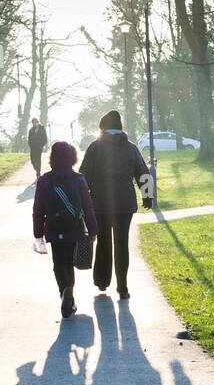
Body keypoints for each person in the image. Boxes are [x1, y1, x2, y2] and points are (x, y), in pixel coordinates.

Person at [79, 109, 149, 300]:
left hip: (100, 202)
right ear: (120, 128)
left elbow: (83, 176)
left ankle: (102, 280)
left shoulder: (95, 148)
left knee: (103, 241)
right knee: (122, 243)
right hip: (125, 202)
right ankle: (123, 287)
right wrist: (147, 197)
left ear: (103, 128)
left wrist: (83, 200)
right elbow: (143, 172)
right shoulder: (131, 148)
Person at [32, 140, 97, 319]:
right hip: (74, 227)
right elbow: (88, 206)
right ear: (73, 157)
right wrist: (92, 230)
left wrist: (38, 234)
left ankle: (64, 293)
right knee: (70, 263)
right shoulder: (79, 179)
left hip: (54, 229)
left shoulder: (44, 180)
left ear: (52, 158)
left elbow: (38, 210)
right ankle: (69, 294)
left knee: (58, 264)